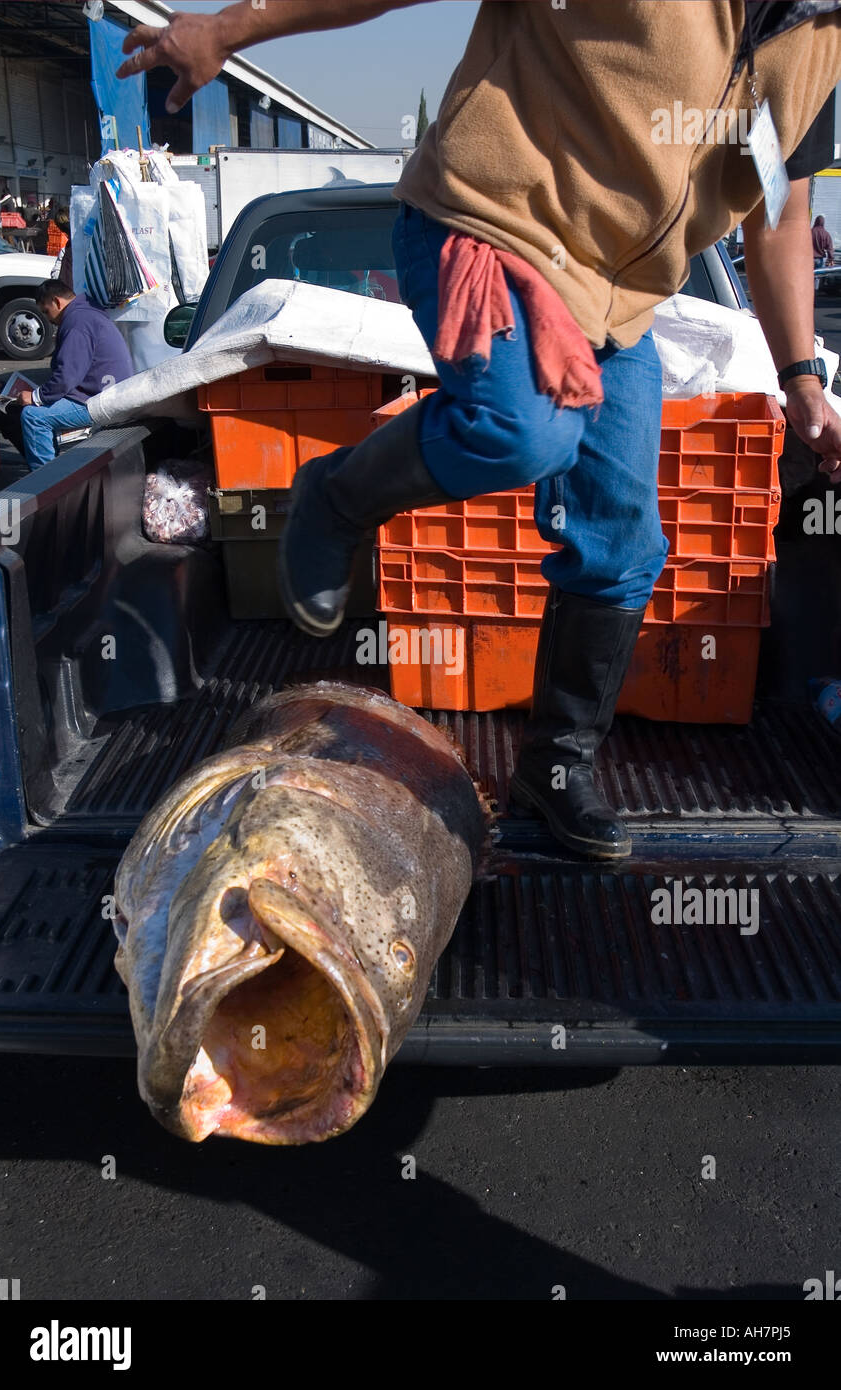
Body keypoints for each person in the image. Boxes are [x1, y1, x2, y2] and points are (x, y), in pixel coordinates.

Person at [118, 2, 841, 861]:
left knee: (623, 546)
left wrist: (800, 378)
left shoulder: (820, 40)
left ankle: (556, 766)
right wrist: (231, 31)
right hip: (489, 227)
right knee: (524, 430)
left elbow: (780, 217)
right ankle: (337, 496)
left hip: (620, 307)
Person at [16, 281, 134, 469]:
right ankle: (52, 471)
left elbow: (67, 376)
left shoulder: (76, 321)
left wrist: (36, 396)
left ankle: (44, 486)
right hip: (110, 392)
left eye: (46, 311)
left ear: (57, 301)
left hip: (101, 400)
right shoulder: (86, 311)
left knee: (33, 416)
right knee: (39, 410)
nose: (48, 319)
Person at [812, 213, 835, 292]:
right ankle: (815, 293)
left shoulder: (810, 232)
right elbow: (830, 248)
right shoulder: (826, 234)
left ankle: (807, 293)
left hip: (809, 258)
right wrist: (831, 259)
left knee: (808, 276)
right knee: (817, 277)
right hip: (820, 259)